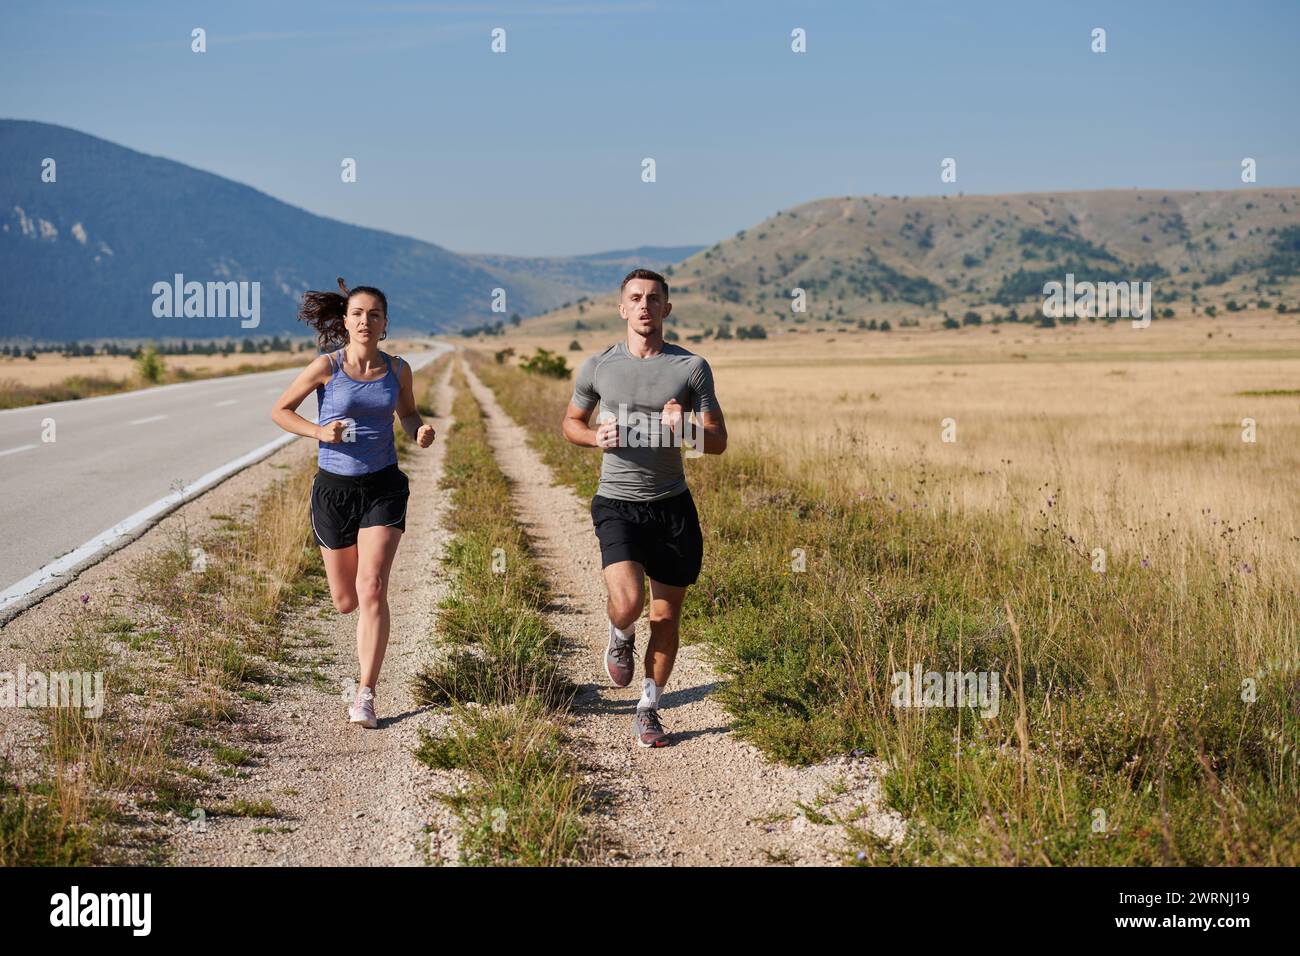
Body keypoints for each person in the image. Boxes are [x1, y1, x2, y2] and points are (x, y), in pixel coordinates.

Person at [561, 268, 727, 747]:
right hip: (617, 502)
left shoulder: (691, 368)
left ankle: (649, 707)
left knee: (666, 616)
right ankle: (619, 632)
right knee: (630, 603)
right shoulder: (598, 366)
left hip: (672, 507)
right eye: (635, 298)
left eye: (654, 299)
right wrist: (595, 437)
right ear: (621, 308)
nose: (644, 306)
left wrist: (687, 429)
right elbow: (571, 423)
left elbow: (717, 442)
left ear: (666, 309)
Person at [271, 278, 435, 728]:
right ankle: (363, 681)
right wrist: (320, 431)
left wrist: (418, 430)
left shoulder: (399, 369)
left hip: (382, 487)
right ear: (345, 321)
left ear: (384, 324)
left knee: (373, 587)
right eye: (358, 313)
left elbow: (408, 413)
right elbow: (280, 410)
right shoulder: (326, 366)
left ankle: (366, 693)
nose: (366, 321)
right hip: (333, 491)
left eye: (374, 315)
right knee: (345, 600)